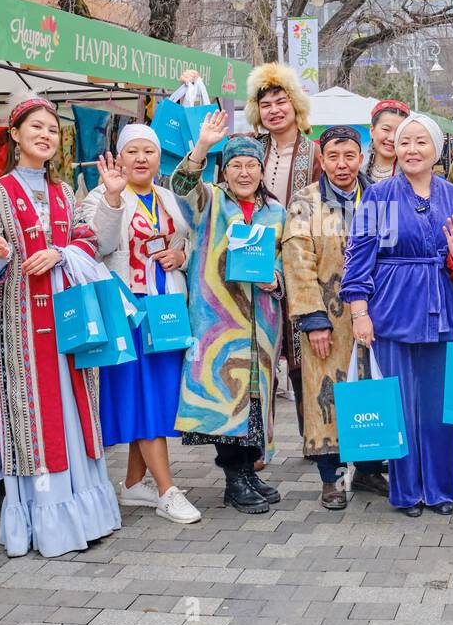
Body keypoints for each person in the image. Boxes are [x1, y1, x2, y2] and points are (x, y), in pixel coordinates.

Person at [0, 95, 121, 557]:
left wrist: (62, 251)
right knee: (33, 413)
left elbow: (88, 240)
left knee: (75, 408)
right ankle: (47, 522)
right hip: (21, 327)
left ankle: (85, 513)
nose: (45, 136)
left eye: (53, 130)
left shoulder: (63, 193)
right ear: (14, 135)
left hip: (69, 321)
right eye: (35, 128)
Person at [342, 113, 453, 517]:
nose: (412, 150)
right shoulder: (379, 197)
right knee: (400, 402)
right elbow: (358, 259)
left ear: (436, 149)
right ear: (394, 149)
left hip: (443, 307)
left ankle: (440, 489)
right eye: (405, 142)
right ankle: (406, 491)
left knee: (437, 406)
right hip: (393, 310)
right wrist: (359, 312)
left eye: (421, 142)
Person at [80, 124, 200, 524]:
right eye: (132, 151)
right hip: (128, 310)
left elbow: (191, 237)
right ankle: (167, 489)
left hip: (166, 310)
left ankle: (133, 483)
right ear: (120, 156)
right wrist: (113, 198)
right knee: (144, 394)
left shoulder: (168, 196)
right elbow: (97, 245)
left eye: (149, 150)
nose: (141, 158)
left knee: (156, 394)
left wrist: (180, 256)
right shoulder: (101, 194)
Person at [170, 111, 286, 514]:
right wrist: (202, 146)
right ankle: (233, 478)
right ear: (225, 168)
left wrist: (276, 278)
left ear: (261, 169)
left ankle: (249, 472)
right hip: (219, 325)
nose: (244, 172)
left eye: (251, 164)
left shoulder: (275, 212)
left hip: (263, 324)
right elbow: (182, 186)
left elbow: (285, 260)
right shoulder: (211, 202)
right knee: (225, 397)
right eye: (236, 164)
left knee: (254, 400)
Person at [283, 126, 389, 509]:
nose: (342, 164)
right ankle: (330, 478)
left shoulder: (378, 198)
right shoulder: (304, 202)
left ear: (361, 158)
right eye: (333, 156)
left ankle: (369, 469)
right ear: (322, 159)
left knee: (369, 389)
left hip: (373, 317)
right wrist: (313, 320)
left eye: (349, 156)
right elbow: (297, 263)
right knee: (324, 396)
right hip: (326, 318)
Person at [247, 63, 322, 443]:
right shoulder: (250, 149)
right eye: (266, 105)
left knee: (302, 358)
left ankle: (318, 443)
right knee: (257, 359)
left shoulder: (316, 152)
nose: (274, 110)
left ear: (295, 105)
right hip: (255, 264)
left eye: (281, 101)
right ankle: (258, 446)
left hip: (300, 264)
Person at [364, 99, 410, 182]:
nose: (392, 138)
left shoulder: (412, 174)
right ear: (372, 131)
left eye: (399, 131)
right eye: (386, 129)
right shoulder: (359, 174)